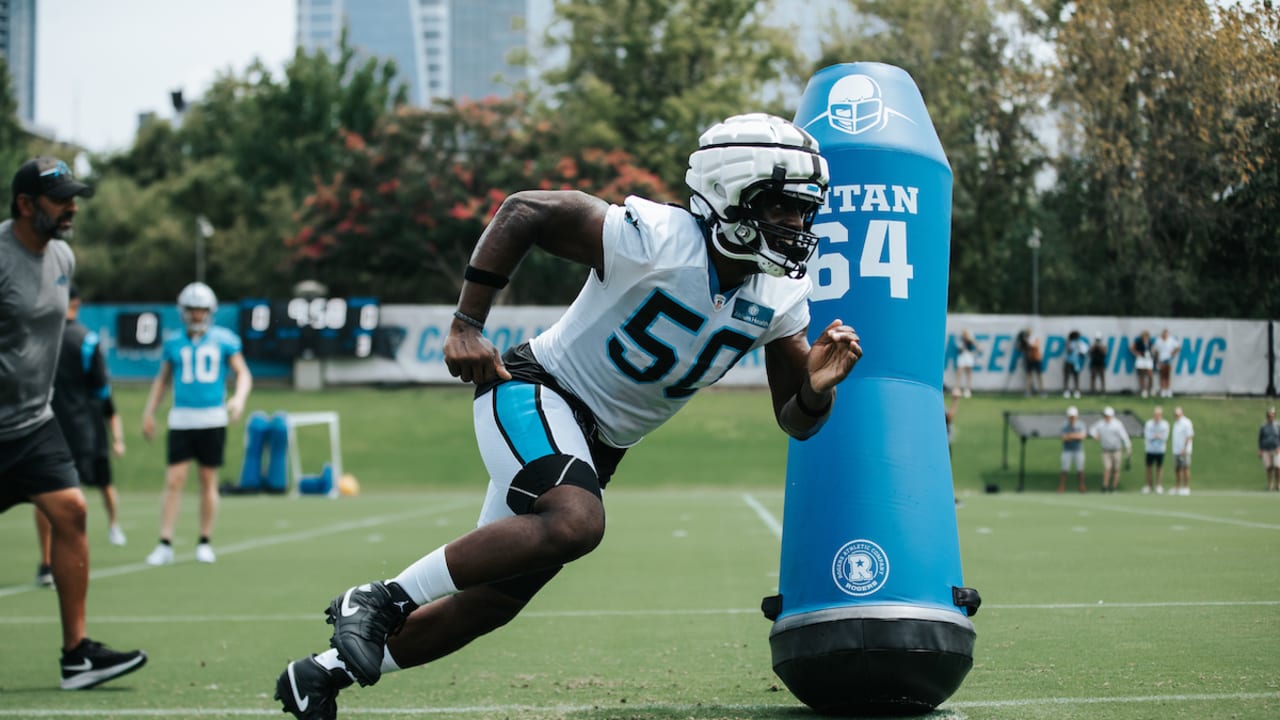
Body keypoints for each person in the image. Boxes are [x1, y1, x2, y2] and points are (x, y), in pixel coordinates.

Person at [272, 113, 862, 719]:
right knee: (577, 522)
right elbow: (526, 210)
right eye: (782, 207)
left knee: (489, 604)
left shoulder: (782, 296)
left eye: (804, 211)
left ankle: (319, 675)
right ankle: (379, 599)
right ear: (731, 195)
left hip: (599, 443)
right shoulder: (656, 237)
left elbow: (796, 420)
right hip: (540, 390)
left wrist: (817, 389)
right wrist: (467, 323)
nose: (797, 226)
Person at [0, 156, 147, 688]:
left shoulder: (63, 256)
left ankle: (77, 656)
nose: (71, 206)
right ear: (24, 205)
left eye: (72, 195)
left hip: (35, 425)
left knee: (72, 511)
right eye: (60, 198)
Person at [141, 282, 252, 565]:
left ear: (210, 311)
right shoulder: (174, 342)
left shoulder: (224, 339)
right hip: (181, 418)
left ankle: (204, 540)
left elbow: (243, 374)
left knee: (207, 480)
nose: (197, 315)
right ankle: (165, 542)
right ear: (183, 312)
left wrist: (238, 399)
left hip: (212, 417)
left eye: (202, 310)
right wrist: (149, 412)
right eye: (192, 310)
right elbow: (162, 380)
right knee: (174, 480)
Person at [35, 285, 129, 589]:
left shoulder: (36, 334)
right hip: (78, 429)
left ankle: (46, 562)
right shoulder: (86, 339)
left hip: (38, 426)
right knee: (73, 499)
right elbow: (101, 389)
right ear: (76, 303)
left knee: (43, 496)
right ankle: (72, 564)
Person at [1090, 406, 1132, 493]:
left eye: (1108, 415)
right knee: (1107, 468)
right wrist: (1094, 435)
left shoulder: (1117, 424)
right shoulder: (1101, 423)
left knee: (1116, 469)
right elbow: (1092, 429)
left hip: (1117, 450)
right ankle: (1104, 487)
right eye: (1105, 415)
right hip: (1106, 450)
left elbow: (1124, 436)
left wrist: (1128, 447)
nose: (1107, 417)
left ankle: (1114, 487)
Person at [1058, 406, 1087, 494]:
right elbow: (1063, 438)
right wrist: (1074, 435)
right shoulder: (1064, 425)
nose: (1072, 418)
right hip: (1067, 450)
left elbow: (1082, 436)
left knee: (1080, 470)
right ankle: (1061, 486)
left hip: (1078, 450)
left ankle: (1082, 486)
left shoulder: (1081, 424)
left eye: (1073, 416)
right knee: (1064, 469)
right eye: (1070, 416)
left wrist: (1070, 435)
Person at [1142, 406, 1169, 494]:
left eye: (1158, 415)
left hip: (1160, 449)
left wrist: (1158, 436)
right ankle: (1148, 485)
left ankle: (1158, 485)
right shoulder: (1149, 424)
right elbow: (1147, 435)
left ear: (1161, 415)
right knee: (1149, 468)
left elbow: (1165, 437)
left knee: (1159, 467)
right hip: (1150, 449)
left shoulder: (1165, 424)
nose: (1157, 416)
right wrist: (1155, 436)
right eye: (1155, 414)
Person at [1170, 406, 1194, 495]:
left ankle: (1186, 487)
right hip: (1176, 450)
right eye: (1175, 414)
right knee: (1177, 469)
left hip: (1184, 450)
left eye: (1178, 414)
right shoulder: (1176, 423)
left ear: (1182, 413)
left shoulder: (1186, 422)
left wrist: (1184, 448)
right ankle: (1178, 487)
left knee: (1185, 468)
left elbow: (1189, 436)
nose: (1176, 415)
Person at [1153, 328, 1180, 398]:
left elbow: (1178, 347)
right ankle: (1163, 390)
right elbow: (1156, 351)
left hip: (1168, 359)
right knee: (1162, 375)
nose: (1165, 335)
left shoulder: (1171, 340)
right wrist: (1157, 360)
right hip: (1161, 360)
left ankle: (1168, 390)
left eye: (1166, 334)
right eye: (1164, 334)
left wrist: (1173, 353)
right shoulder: (1158, 341)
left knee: (1167, 375)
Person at [1017, 327, 1043, 397]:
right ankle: (1028, 392)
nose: (1028, 333)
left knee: (1039, 375)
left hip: (1036, 359)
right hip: (1029, 359)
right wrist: (1022, 342)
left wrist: (1027, 342)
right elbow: (1019, 348)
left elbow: (1035, 346)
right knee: (1028, 376)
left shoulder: (1034, 339)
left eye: (1029, 332)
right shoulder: (1025, 340)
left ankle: (1042, 391)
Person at [1258, 407, 1279, 492]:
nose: (1270, 417)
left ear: (1274, 416)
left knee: (1278, 467)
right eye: (1269, 415)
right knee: (1269, 468)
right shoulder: (1263, 426)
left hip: (1276, 449)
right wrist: (1260, 449)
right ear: (1267, 416)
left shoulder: (1278, 425)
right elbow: (1260, 438)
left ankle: (1278, 484)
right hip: (1266, 450)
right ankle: (1270, 484)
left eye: (1272, 415)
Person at [1062, 330, 1087, 399]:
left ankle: (1077, 391)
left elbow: (1083, 352)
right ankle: (1066, 390)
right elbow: (1068, 350)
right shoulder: (1068, 342)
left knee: (1076, 377)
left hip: (1075, 362)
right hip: (1068, 361)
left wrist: (1079, 350)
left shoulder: (1079, 343)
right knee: (1067, 376)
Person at [954, 328, 978, 398]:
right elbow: (959, 349)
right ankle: (957, 389)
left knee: (968, 373)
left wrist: (972, 352)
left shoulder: (970, 340)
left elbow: (978, 347)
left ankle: (967, 390)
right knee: (959, 372)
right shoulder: (960, 340)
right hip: (962, 356)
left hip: (968, 356)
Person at [1131, 330, 1154, 398]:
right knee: (1142, 375)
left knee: (1150, 374)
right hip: (1141, 359)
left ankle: (1150, 388)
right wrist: (1136, 353)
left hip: (1148, 359)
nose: (1145, 337)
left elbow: (1152, 350)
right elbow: (1132, 347)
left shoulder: (1150, 343)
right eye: (1144, 336)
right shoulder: (1139, 342)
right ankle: (1143, 390)